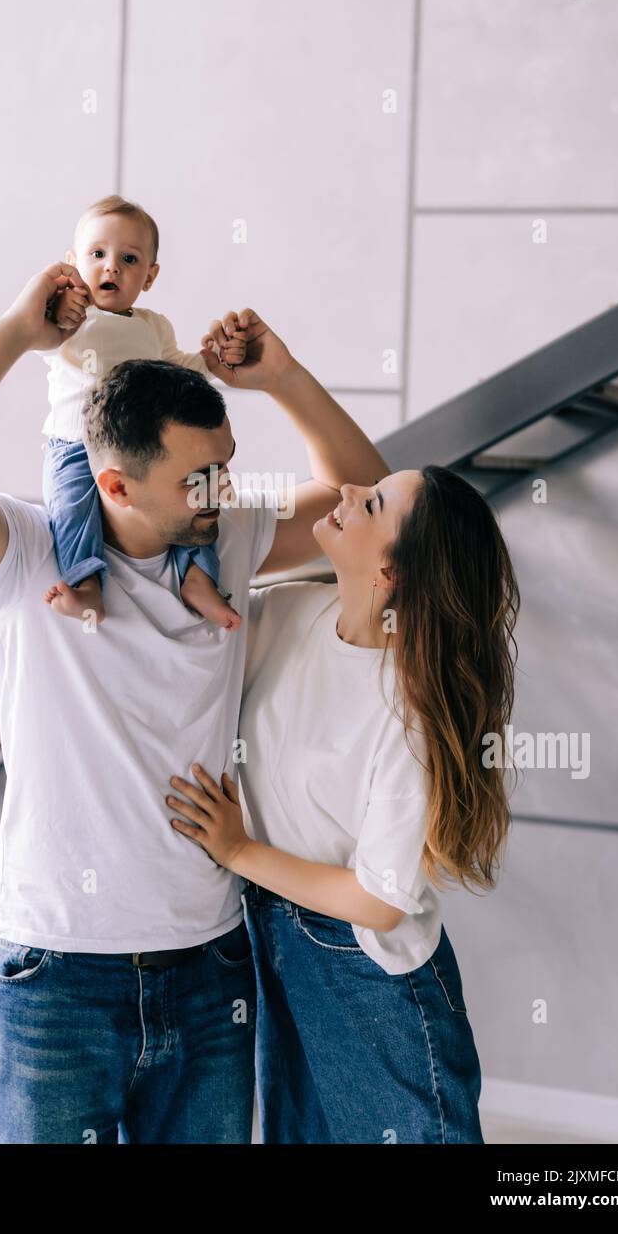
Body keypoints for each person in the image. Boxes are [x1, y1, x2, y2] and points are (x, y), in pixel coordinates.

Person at [0, 258, 387, 1143]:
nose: (222, 489)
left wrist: (285, 380)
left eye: (226, 466)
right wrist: (14, 335)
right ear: (113, 484)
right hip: (54, 977)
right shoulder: (24, 557)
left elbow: (372, 503)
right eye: (197, 478)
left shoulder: (229, 532)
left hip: (208, 964)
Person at [165, 466, 520, 1143]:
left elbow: (380, 899)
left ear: (390, 571)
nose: (347, 492)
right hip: (275, 939)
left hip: (371, 976)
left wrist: (239, 851)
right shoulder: (288, 611)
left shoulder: (410, 709)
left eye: (373, 500)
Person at [39, 192, 248, 630]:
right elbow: (37, 332)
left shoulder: (153, 327)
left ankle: (197, 577)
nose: (111, 266)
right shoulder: (69, 317)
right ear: (73, 263)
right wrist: (55, 305)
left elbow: (180, 368)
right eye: (97, 254)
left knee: (194, 500)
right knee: (72, 512)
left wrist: (212, 361)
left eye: (129, 259)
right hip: (76, 442)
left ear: (149, 277)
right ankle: (89, 586)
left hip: (143, 446)